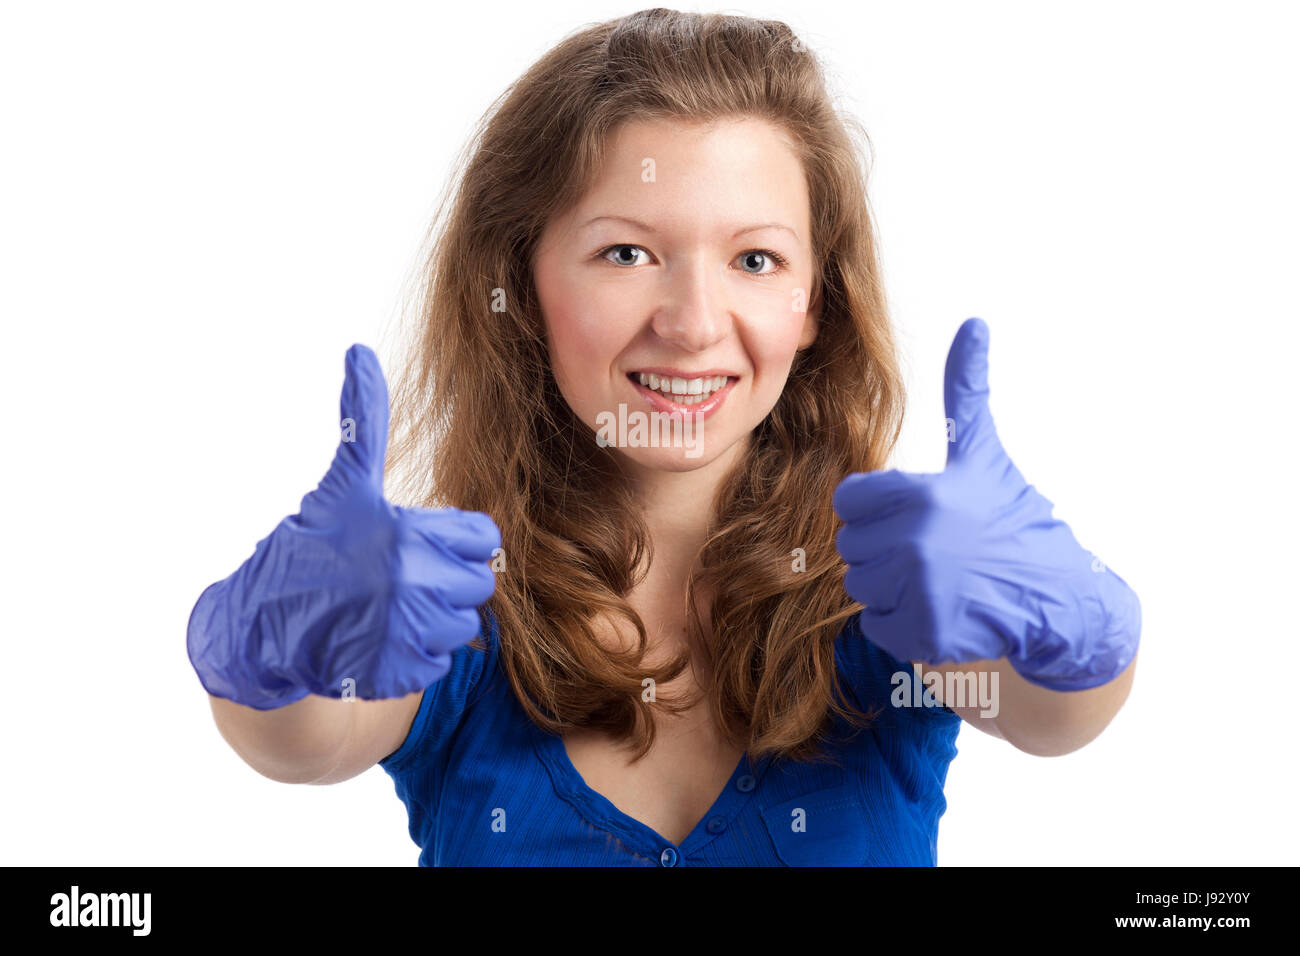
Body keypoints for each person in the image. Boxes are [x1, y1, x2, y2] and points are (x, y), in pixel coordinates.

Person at [187, 8, 1140, 866]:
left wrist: (1078, 640)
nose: (692, 322)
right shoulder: (444, 608)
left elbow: (1049, 719)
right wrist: (271, 663)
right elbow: (306, 742)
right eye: (627, 253)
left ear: (815, 303)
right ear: (519, 285)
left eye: (756, 258)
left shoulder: (894, 590)